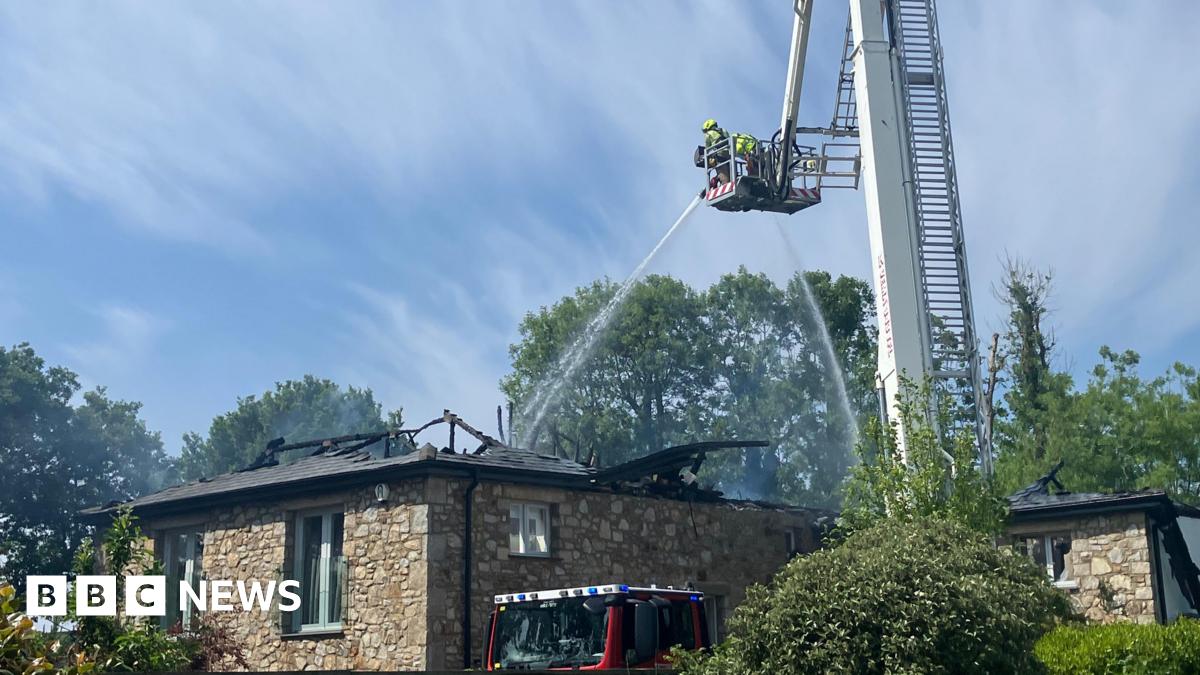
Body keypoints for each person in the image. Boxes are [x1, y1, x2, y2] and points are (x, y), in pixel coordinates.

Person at [702, 119, 758, 187]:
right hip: (729, 154)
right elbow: (729, 140)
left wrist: (704, 156)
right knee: (731, 169)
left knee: (723, 172)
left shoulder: (708, 134)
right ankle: (734, 181)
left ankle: (725, 185)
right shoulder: (723, 130)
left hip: (719, 154)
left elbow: (707, 148)